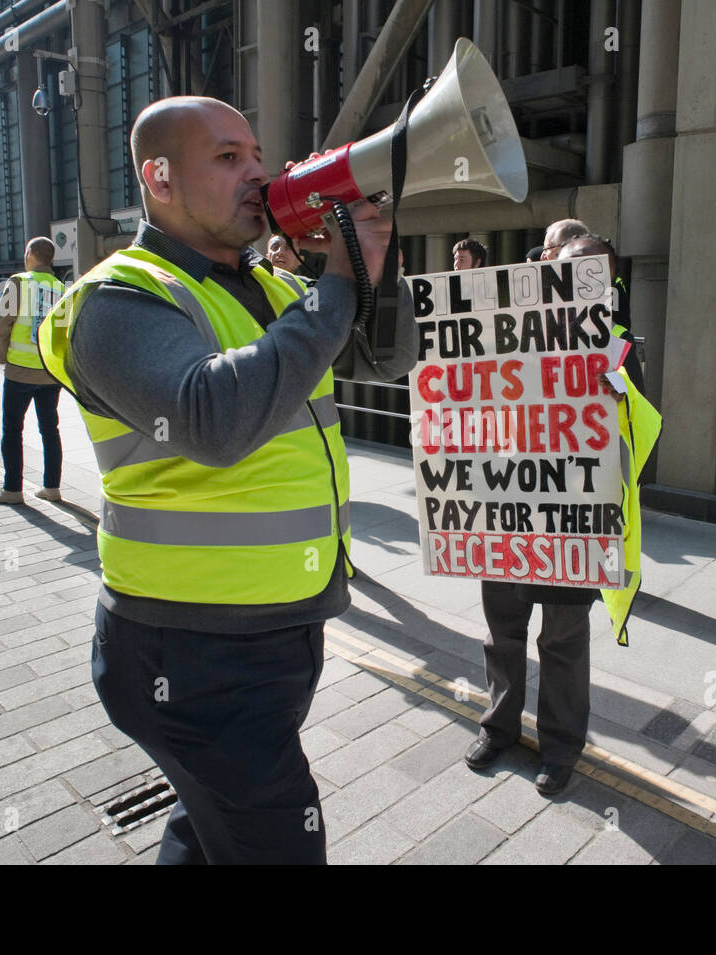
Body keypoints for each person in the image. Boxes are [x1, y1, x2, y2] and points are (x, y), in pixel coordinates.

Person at [37, 95, 416, 864]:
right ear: (160, 177)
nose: (258, 173)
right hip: (189, 651)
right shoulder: (116, 300)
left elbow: (391, 358)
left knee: (208, 823)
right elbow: (214, 419)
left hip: (269, 632)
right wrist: (337, 286)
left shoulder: (270, 287)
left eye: (256, 153)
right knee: (277, 837)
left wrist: (377, 266)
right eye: (227, 157)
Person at [463, 229, 659, 796]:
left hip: (575, 520)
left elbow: (642, 448)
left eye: (590, 273)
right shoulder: (507, 331)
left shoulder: (619, 348)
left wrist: (616, 402)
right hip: (505, 507)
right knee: (502, 632)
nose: (576, 281)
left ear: (608, 282)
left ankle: (560, 748)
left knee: (563, 641)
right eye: (567, 268)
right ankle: (498, 727)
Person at [0, 237, 67, 506]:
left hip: (20, 371)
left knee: (12, 429)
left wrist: (2, 356)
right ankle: (52, 488)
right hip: (49, 371)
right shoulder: (61, 287)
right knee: (50, 429)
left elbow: (3, 323)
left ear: (30, 253)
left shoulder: (19, 282)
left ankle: (12, 490)